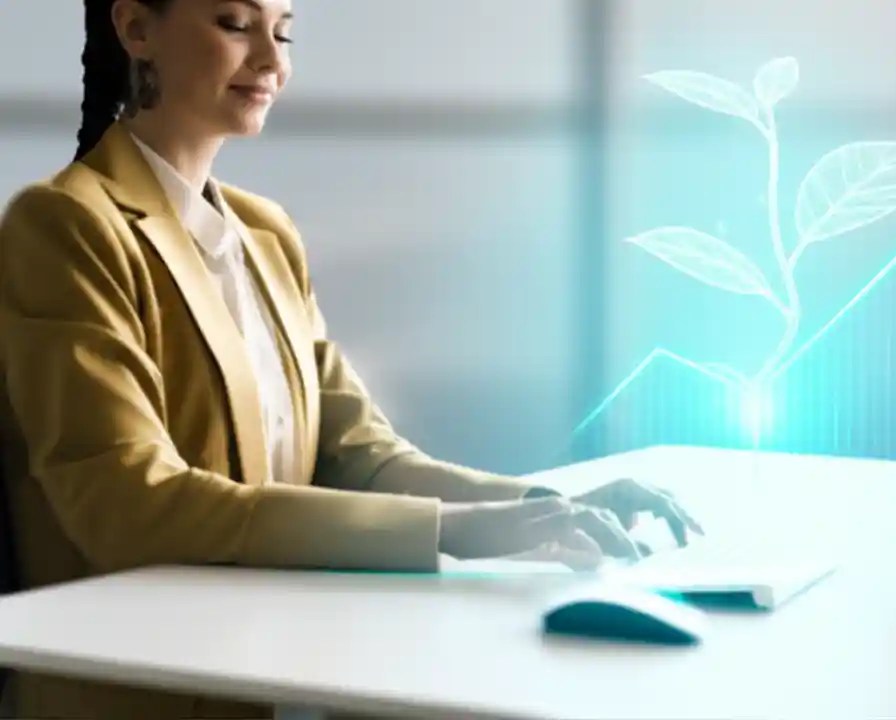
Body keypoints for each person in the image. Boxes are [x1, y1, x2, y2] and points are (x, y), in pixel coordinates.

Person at [0, 1, 702, 717]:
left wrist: (541, 508)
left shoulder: (265, 235)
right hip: (136, 693)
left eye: (284, 31)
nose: (272, 62)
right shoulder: (66, 226)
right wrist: (455, 530)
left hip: (277, 664)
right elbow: (128, 502)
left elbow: (362, 457)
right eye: (236, 25)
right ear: (137, 28)